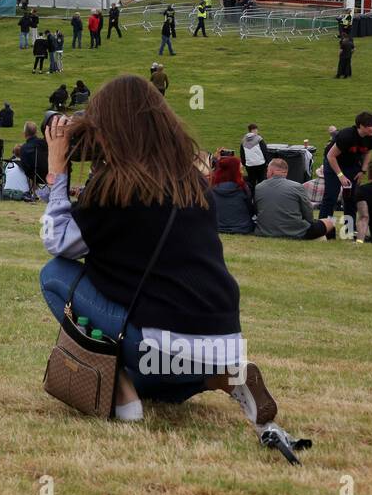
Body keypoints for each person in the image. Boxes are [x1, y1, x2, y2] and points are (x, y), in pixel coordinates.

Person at [39, 76, 288, 432]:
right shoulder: (194, 183)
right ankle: (227, 379)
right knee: (156, 383)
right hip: (222, 342)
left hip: (161, 348)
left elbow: (58, 240)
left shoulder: (117, 186)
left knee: (54, 275)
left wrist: (56, 172)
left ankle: (121, 393)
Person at [319, 112, 372, 227]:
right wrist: (340, 175)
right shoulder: (347, 136)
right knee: (331, 197)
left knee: (351, 198)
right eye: (371, 126)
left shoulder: (370, 136)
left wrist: (362, 171)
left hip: (352, 165)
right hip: (333, 163)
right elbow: (331, 156)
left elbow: (367, 151)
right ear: (361, 126)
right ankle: (324, 229)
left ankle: (349, 230)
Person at [255, 158, 336, 240]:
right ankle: (329, 239)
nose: (266, 173)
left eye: (267, 170)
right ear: (285, 172)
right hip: (296, 232)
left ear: (271, 171)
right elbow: (308, 211)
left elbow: (256, 210)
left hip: (264, 231)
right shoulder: (297, 186)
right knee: (331, 221)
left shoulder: (258, 187)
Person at [211, 155, 255, 234]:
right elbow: (250, 210)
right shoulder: (243, 188)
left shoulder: (212, 188)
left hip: (218, 227)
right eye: (240, 169)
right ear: (235, 171)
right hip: (242, 228)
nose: (242, 172)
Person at [17, 121, 48, 191]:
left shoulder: (24, 148)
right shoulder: (45, 143)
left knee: (29, 169)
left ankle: (33, 192)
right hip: (50, 173)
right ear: (36, 132)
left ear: (24, 134)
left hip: (35, 175)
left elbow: (25, 166)